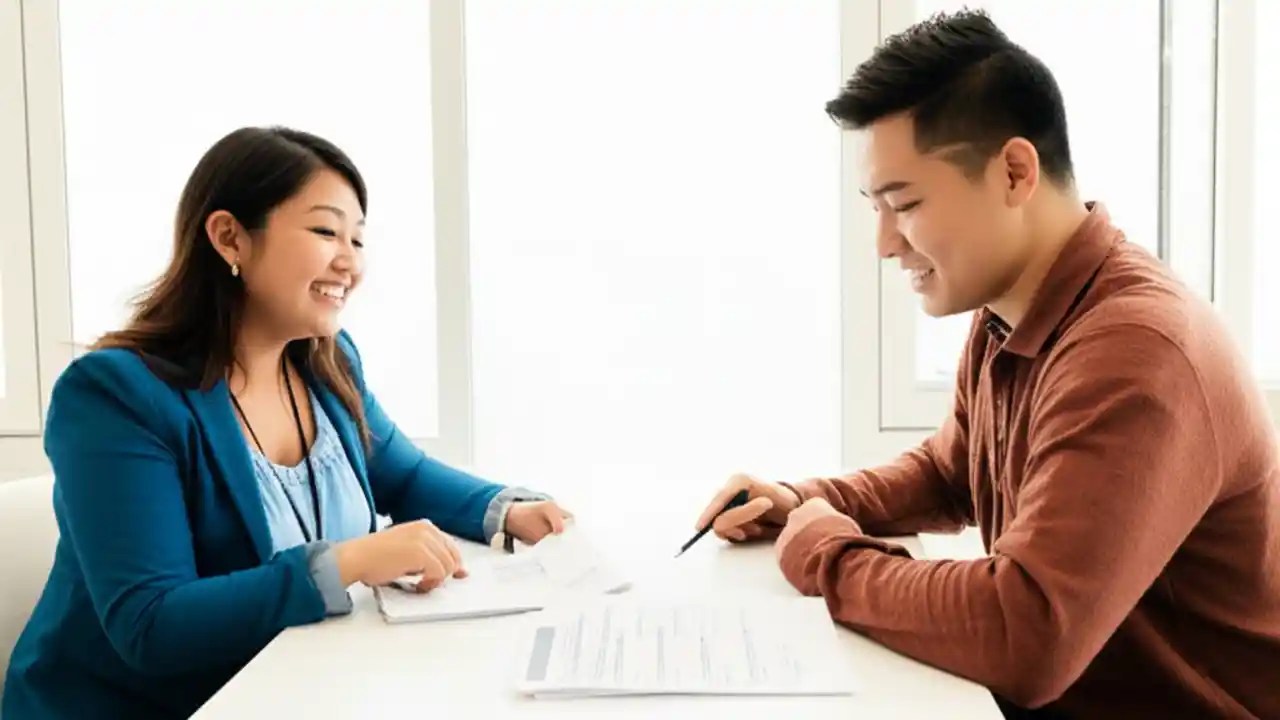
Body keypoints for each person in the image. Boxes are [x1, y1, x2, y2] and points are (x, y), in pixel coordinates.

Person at [697, 9, 1280, 719]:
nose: (884, 243)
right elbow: (952, 472)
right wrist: (807, 500)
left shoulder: (1137, 352)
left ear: (1013, 171)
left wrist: (827, 556)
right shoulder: (1015, 311)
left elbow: (1025, 634)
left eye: (903, 204)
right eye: (874, 208)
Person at [2, 126, 571, 719]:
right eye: (326, 231)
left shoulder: (327, 362)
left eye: (358, 237)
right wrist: (348, 561)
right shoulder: (116, 396)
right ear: (230, 238)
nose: (349, 261)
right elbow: (151, 622)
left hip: (299, 691)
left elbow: (402, 475)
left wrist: (512, 511)